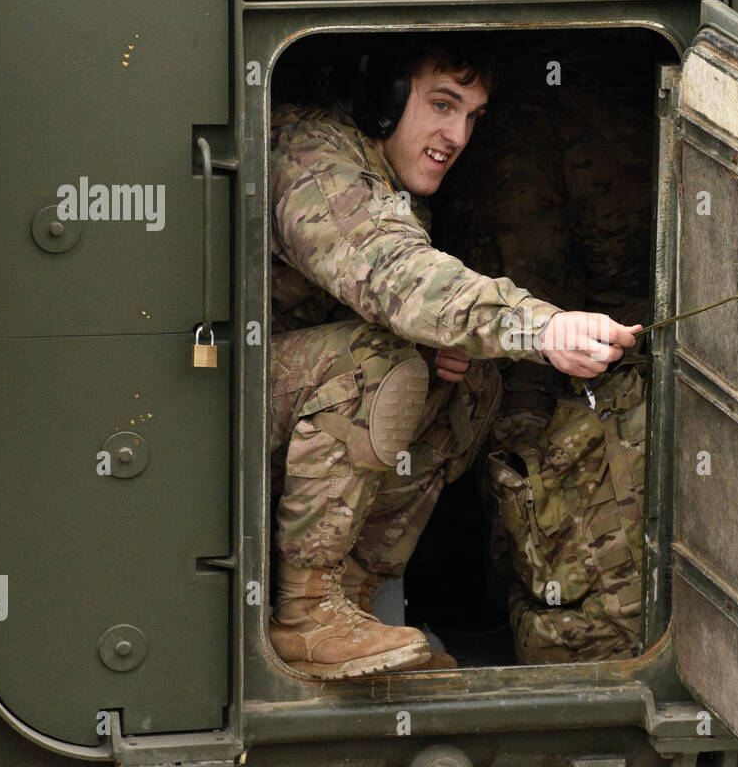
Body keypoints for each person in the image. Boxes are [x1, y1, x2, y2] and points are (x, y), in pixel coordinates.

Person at [268, 36, 641, 679]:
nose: (457, 134)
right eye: (442, 104)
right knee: (376, 360)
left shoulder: (390, 174)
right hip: (213, 414)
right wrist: (543, 327)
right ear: (383, 100)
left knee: (467, 380)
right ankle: (304, 615)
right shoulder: (317, 160)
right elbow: (398, 274)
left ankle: (354, 598)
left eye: (472, 115)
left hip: (283, 405)